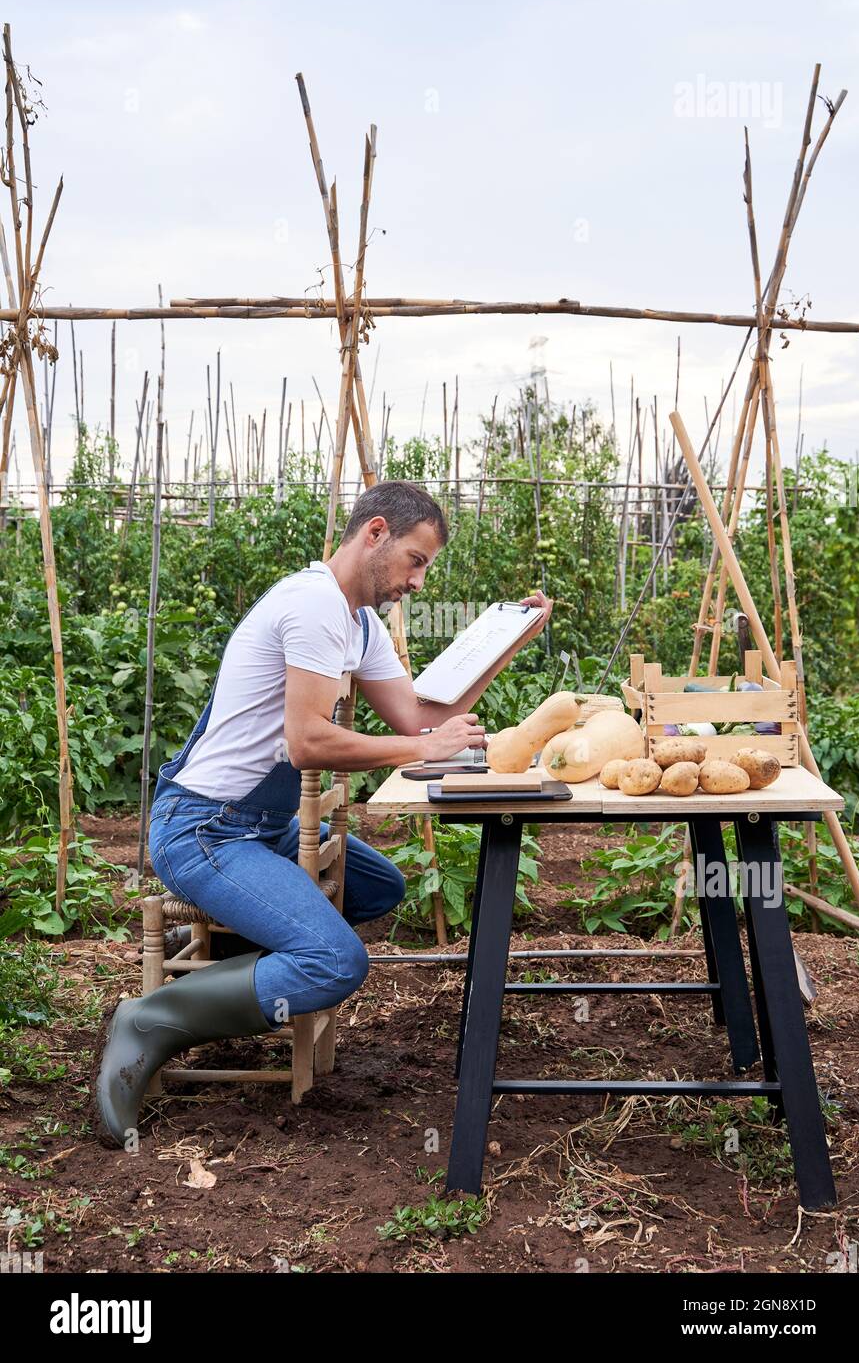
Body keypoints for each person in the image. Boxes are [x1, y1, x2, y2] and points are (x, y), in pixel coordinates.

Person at [93, 479, 552, 1146]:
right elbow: (308, 741)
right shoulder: (312, 606)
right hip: (203, 828)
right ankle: (152, 1018)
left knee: (377, 886)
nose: (419, 582)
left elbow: (419, 715)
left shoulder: (357, 620)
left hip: (262, 830)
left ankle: (216, 954)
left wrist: (511, 640)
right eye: (416, 560)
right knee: (334, 962)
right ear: (374, 534)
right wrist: (425, 747)